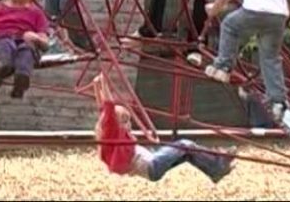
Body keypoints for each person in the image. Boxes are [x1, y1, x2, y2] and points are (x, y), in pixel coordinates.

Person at [93, 73, 236, 182]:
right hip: (152, 165)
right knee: (185, 144)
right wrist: (105, 81)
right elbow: (108, 108)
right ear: (115, 123)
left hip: (152, 163)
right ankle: (219, 162)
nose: (129, 125)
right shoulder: (112, 134)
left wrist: (97, 85)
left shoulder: (108, 138)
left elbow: (103, 110)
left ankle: (217, 169)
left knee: (188, 153)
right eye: (125, 121)